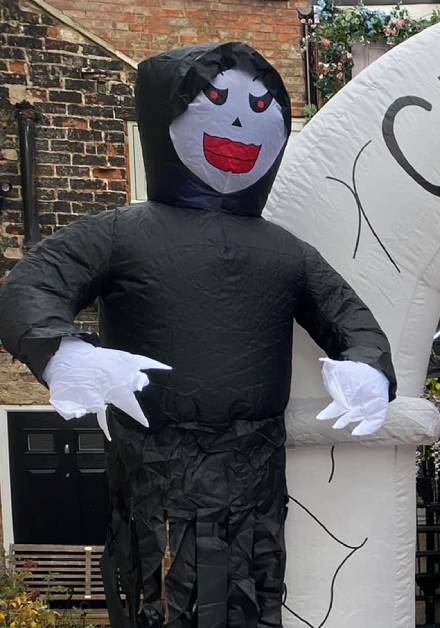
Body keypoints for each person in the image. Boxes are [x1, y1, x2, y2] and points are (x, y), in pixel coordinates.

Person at [0, 42, 394, 627]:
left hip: (254, 476)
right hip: (156, 468)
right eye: (215, 100)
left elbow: (350, 318)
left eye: (258, 106)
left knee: (251, 598)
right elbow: (32, 285)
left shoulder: (287, 253)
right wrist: (63, 353)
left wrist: (367, 366)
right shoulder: (121, 233)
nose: (238, 122)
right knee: (162, 597)